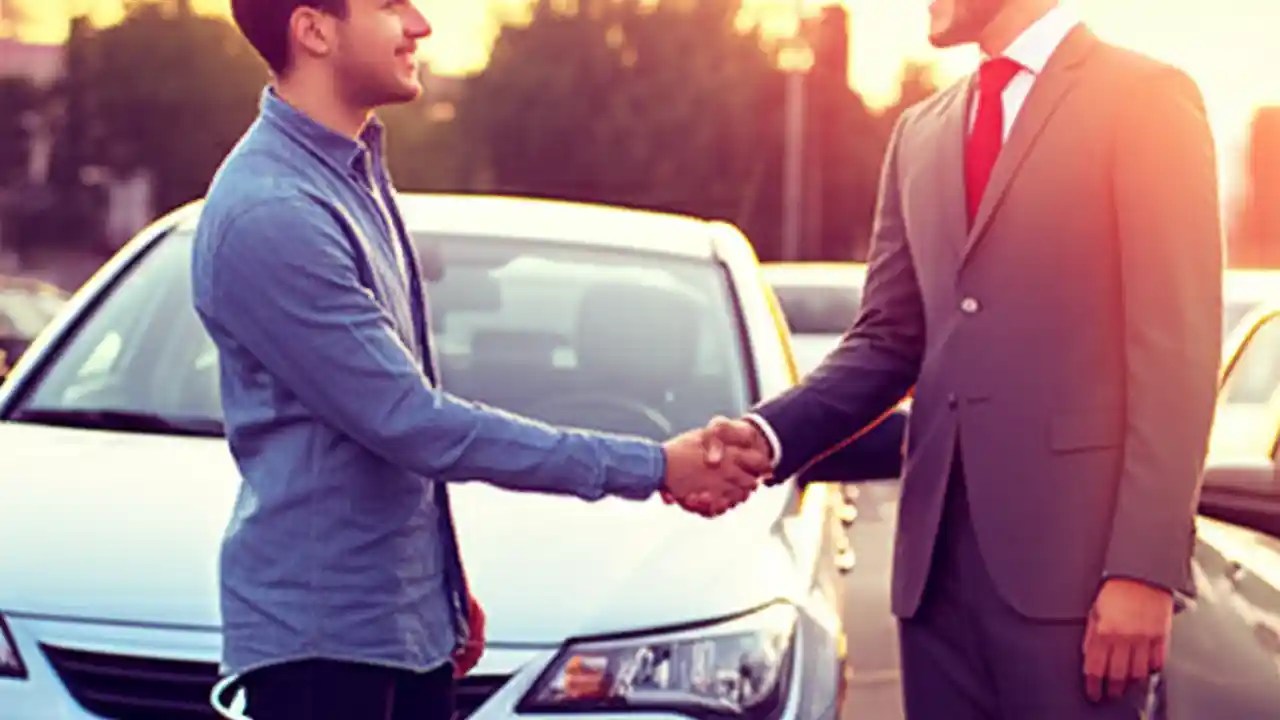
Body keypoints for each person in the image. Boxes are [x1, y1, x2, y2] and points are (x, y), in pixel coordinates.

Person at [191, 1, 770, 718]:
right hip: (324, 652)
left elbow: (386, 438)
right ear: (313, 31)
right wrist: (654, 466)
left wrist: (440, 588)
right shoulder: (273, 211)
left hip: (396, 633)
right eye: (388, 5)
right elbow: (413, 422)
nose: (420, 24)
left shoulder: (351, 174)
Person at [701, 1, 1223, 717]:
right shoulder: (921, 131)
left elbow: (1178, 355)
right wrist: (767, 435)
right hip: (934, 584)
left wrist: (1144, 570)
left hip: (1078, 584)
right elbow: (885, 343)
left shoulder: (1146, 100)